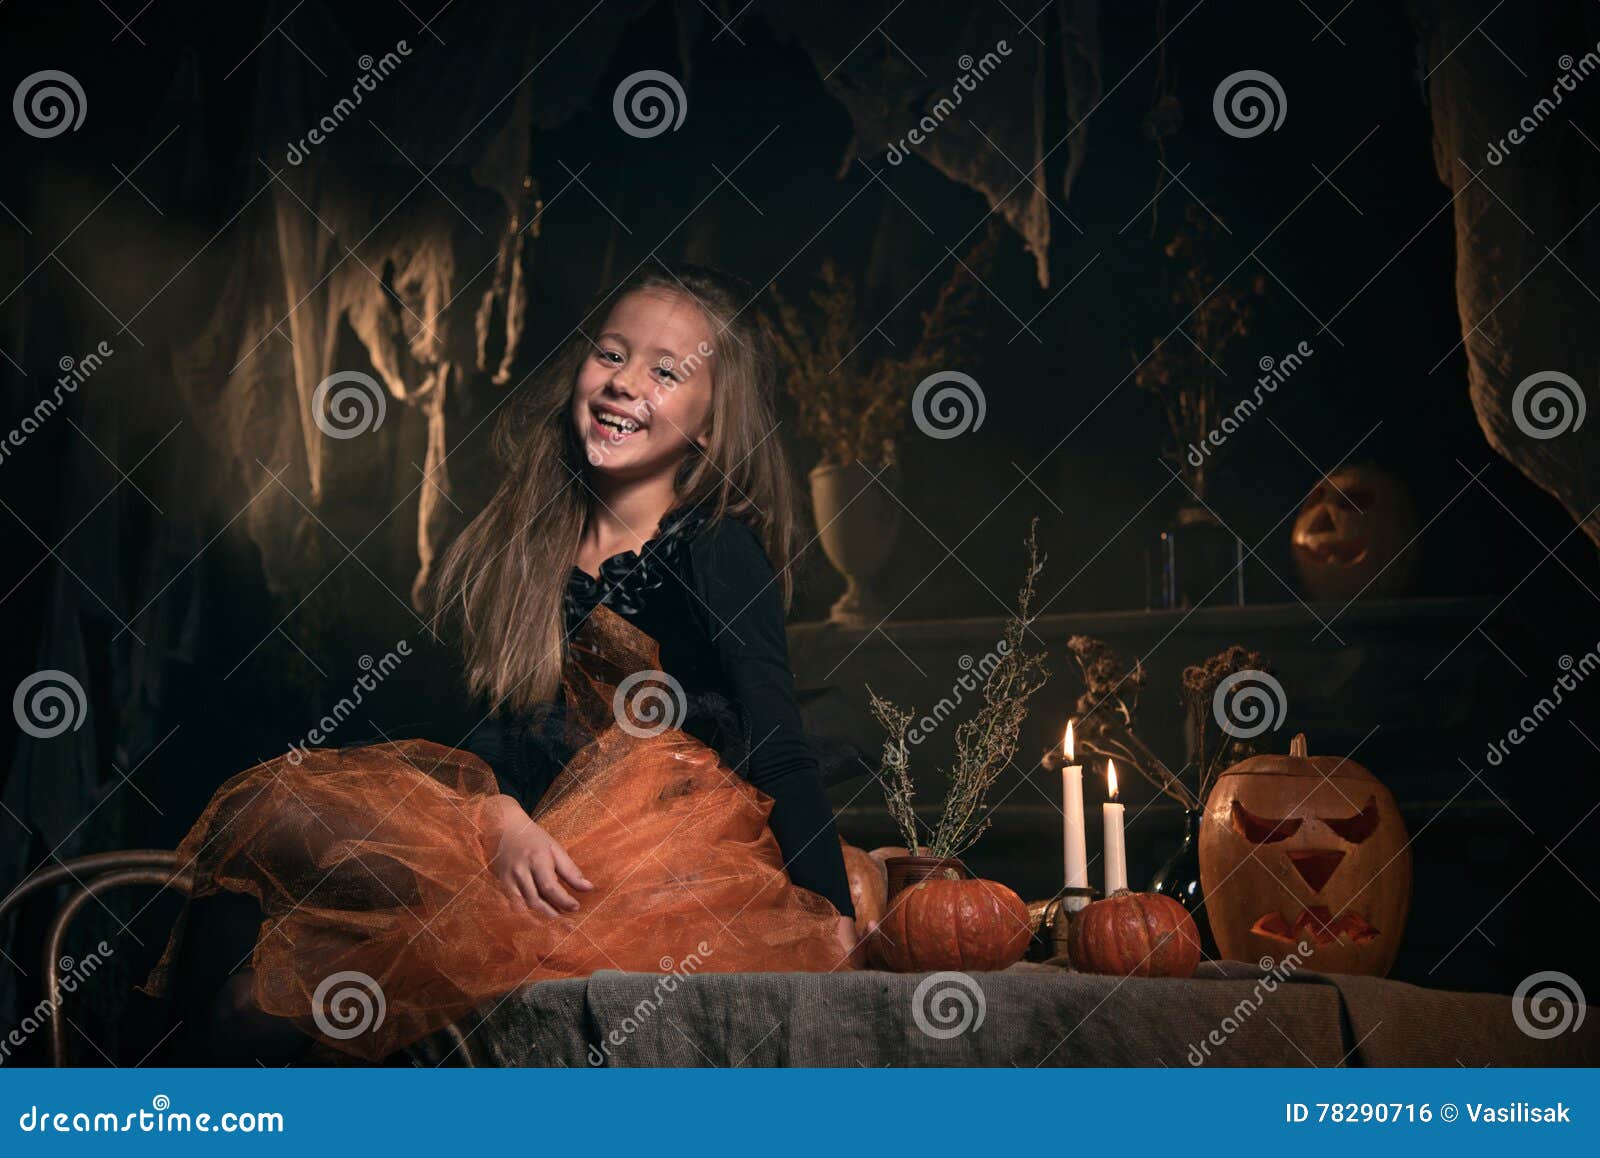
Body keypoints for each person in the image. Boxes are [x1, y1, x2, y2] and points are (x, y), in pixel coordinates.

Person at [144, 262, 861, 1064]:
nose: (626, 382)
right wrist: (498, 817)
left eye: (666, 372)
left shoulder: (718, 547)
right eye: (611, 354)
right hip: (536, 855)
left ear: (710, 426)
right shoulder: (530, 553)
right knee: (252, 993)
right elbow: (504, 726)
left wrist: (831, 915)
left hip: (667, 865)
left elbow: (781, 741)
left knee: (473, 1022)